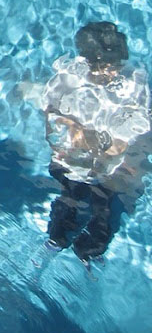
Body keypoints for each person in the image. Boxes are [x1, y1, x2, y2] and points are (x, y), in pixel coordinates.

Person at [41, 21, 151, 265]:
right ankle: (56, 239)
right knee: (70, 200)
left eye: (117, 64)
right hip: (74, 162)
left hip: (111, 165)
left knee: (104, 212)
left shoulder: (135, 81)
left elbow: (140, 127)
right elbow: (50, 114)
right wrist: (75, 134)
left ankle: (89, 251)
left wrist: (112, 146)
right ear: (89, 61)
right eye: (107, 66)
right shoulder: (69, 77)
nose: (114, 71)